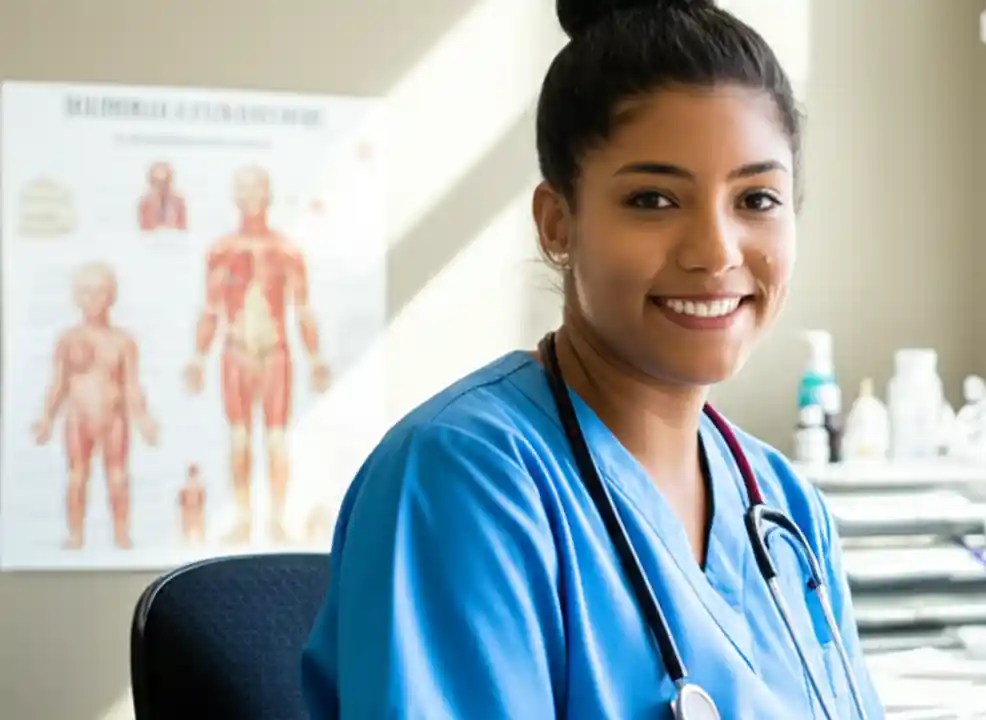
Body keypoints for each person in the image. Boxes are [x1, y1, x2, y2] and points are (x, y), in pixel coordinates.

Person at [301, 1, 884, 718]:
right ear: (557, 223)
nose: (715, 251)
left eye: (757, 198)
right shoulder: (466, 479)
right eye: (653, 199)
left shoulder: (788, 508)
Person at [184, 165, 331, 544]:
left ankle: (278, 519)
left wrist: (315, 358)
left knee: (277, 438)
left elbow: (303, 308)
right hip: (236, 351)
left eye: (257, 190)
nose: (250, 198)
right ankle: (244, 518)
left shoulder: (286, 251)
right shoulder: (222, 251)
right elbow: (212, 308)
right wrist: (198, 358)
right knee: (239, 438)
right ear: (235, 197)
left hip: (275, 353)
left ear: (268, 195)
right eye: (243, 190)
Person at [31, 261, 158, 549]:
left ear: (111, 295)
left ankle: (121, 533)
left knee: (118, 477)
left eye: (101, 292)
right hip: (78, 416)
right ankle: (76, 534)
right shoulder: (68, 339)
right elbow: (59, 383)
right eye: (87, 293)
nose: (94, 300)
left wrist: (142, 418)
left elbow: (131, 384)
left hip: (114, 417)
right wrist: (46, 419)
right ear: (77, 297)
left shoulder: (123, 341)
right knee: (77, 475)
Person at [137, 161, 188, 231]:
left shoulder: (179, 202)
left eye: (165, 182)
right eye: (158, 183)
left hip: (175, 239)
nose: (162, 187)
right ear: (152, 183)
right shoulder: (145, 203)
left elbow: (183, 228)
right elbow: (144, 229)